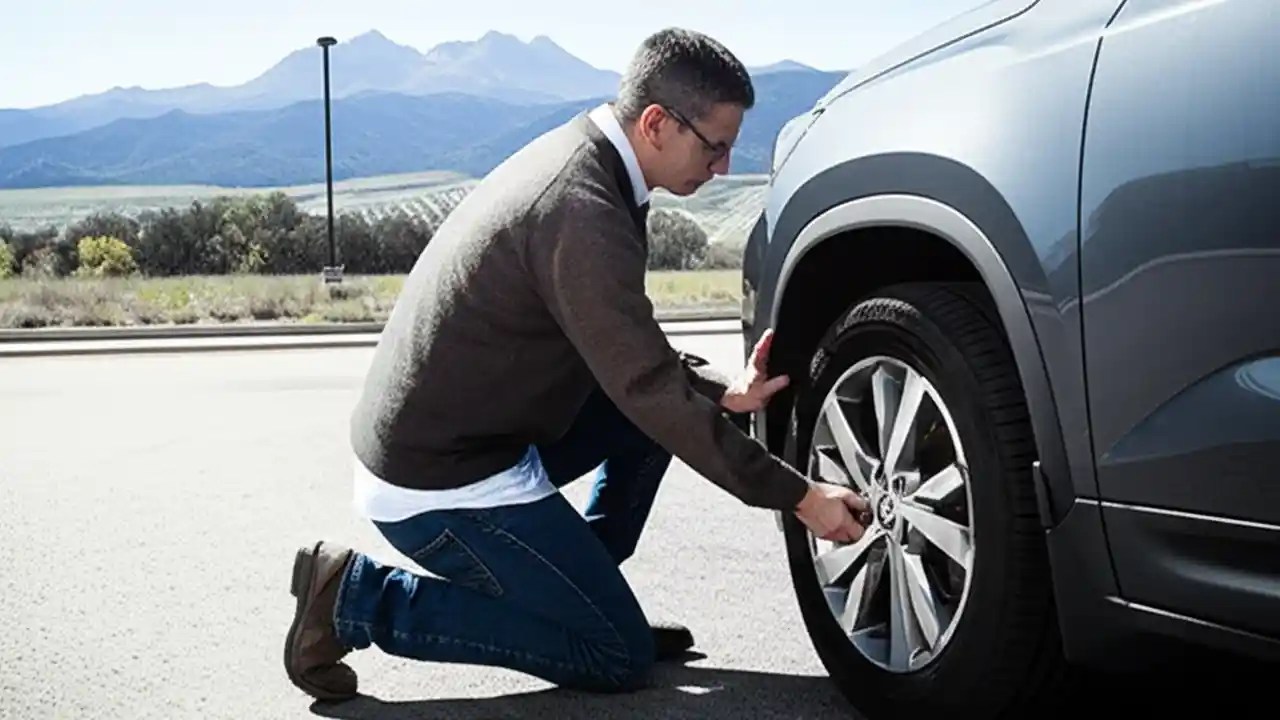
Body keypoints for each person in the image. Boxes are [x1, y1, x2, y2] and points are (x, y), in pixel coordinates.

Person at [283, 27, 869, 702]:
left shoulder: (599, 168)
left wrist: (720, 391)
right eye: (715, 145)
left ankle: (575, 588)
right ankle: (356, 600)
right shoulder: (580, 208)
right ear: (656, 122)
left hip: (477, 435)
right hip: (441, 482)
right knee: (614, 653)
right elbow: (646, 388)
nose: (725, 167)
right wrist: (800, 497)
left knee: (661, 415)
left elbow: (628, 351)